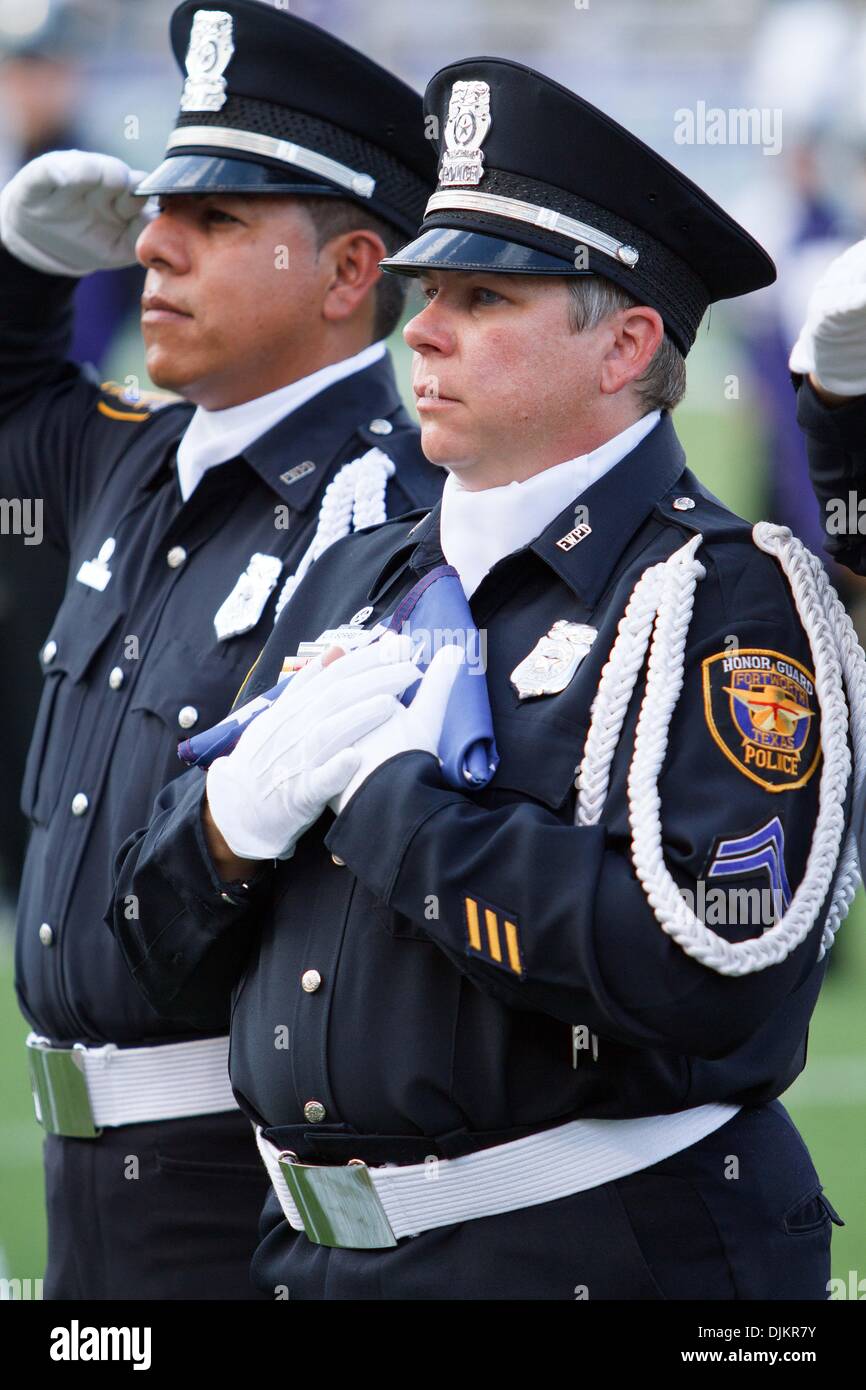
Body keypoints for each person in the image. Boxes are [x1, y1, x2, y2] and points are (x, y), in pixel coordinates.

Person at [110, 56, 861, 1300]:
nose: (424, 329)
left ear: (624, 345)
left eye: (484, 295)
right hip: (310, 1260)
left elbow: (711, 967)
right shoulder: (357, 565)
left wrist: (395, 806)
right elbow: (142, 944)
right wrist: (229, 834)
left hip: (586, 1259)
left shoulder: (719, 592)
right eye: (421, 289)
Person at [0, 0, 439, 1300]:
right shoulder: (142, 449)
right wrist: (25, 261)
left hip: (236, 1173)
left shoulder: (385, 507)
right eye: (159, 209)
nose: (153, 245)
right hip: (84, 1172)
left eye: (216, 220)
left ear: (349, 273)